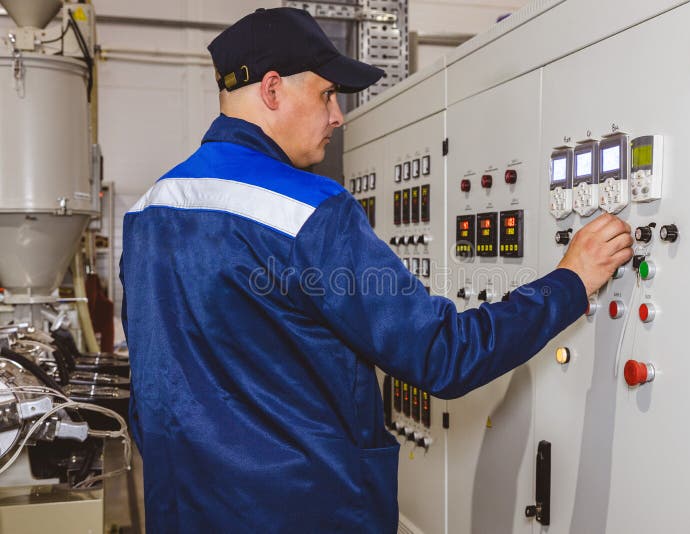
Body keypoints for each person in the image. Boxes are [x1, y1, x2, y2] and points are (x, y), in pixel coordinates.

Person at [120, 7, 633, 533]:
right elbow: (443, 355)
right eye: (326, 94)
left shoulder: (148, 211)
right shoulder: (311, 210)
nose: (338, 116)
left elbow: (157, 382)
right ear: (272, 90)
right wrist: (571, 281)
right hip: (303, 515)